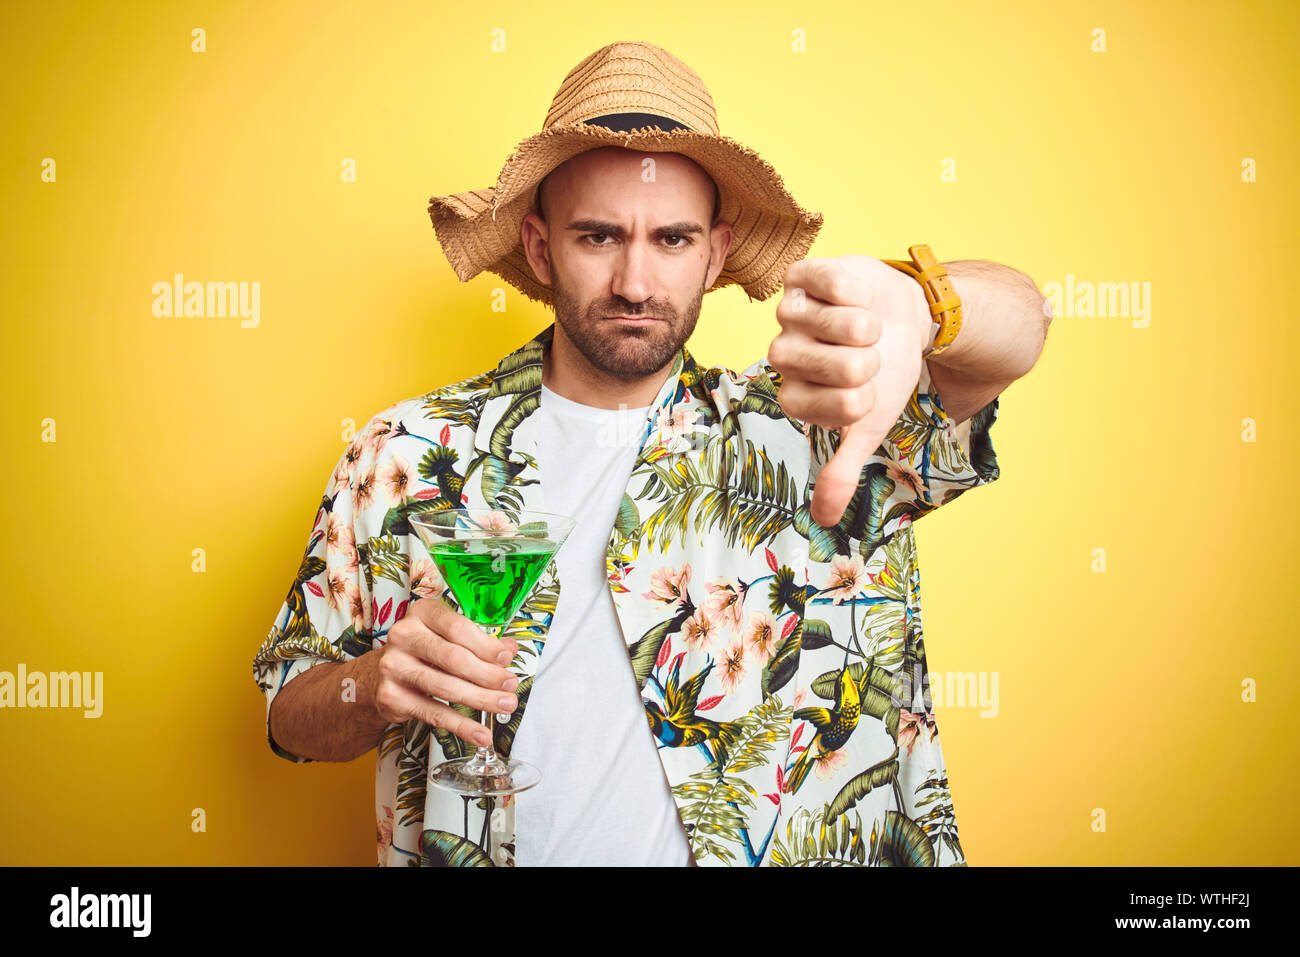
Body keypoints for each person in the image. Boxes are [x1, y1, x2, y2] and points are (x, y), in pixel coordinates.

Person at [252, 40, 1049, 867]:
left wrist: (927, 303)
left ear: (714, 252)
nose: (635, 282)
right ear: (537, 246)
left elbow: (1022, 331)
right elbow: (287, 715)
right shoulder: (406, 452)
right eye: (598, 237)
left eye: (671, 239)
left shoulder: (820, 427)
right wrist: (375, 679)